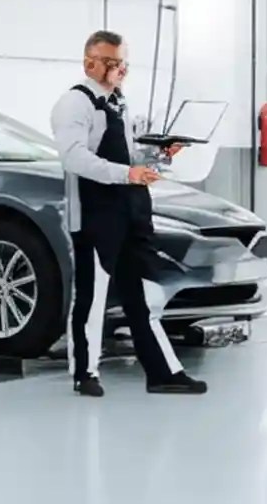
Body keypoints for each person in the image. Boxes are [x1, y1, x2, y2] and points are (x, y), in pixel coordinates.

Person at [50, 30, 208, 397]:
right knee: (91, 298)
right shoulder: (75, 104)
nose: (119, 69)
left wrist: (161, 155)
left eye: (122, 62)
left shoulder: (120, 104)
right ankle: (84, 374)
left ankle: (163, 372)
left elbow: (130, 157)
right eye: (110, 62)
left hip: (131, 212)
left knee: (143, 296)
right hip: (93, 215)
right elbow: (74, 157)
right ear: (89, 62)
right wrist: (126, 174)